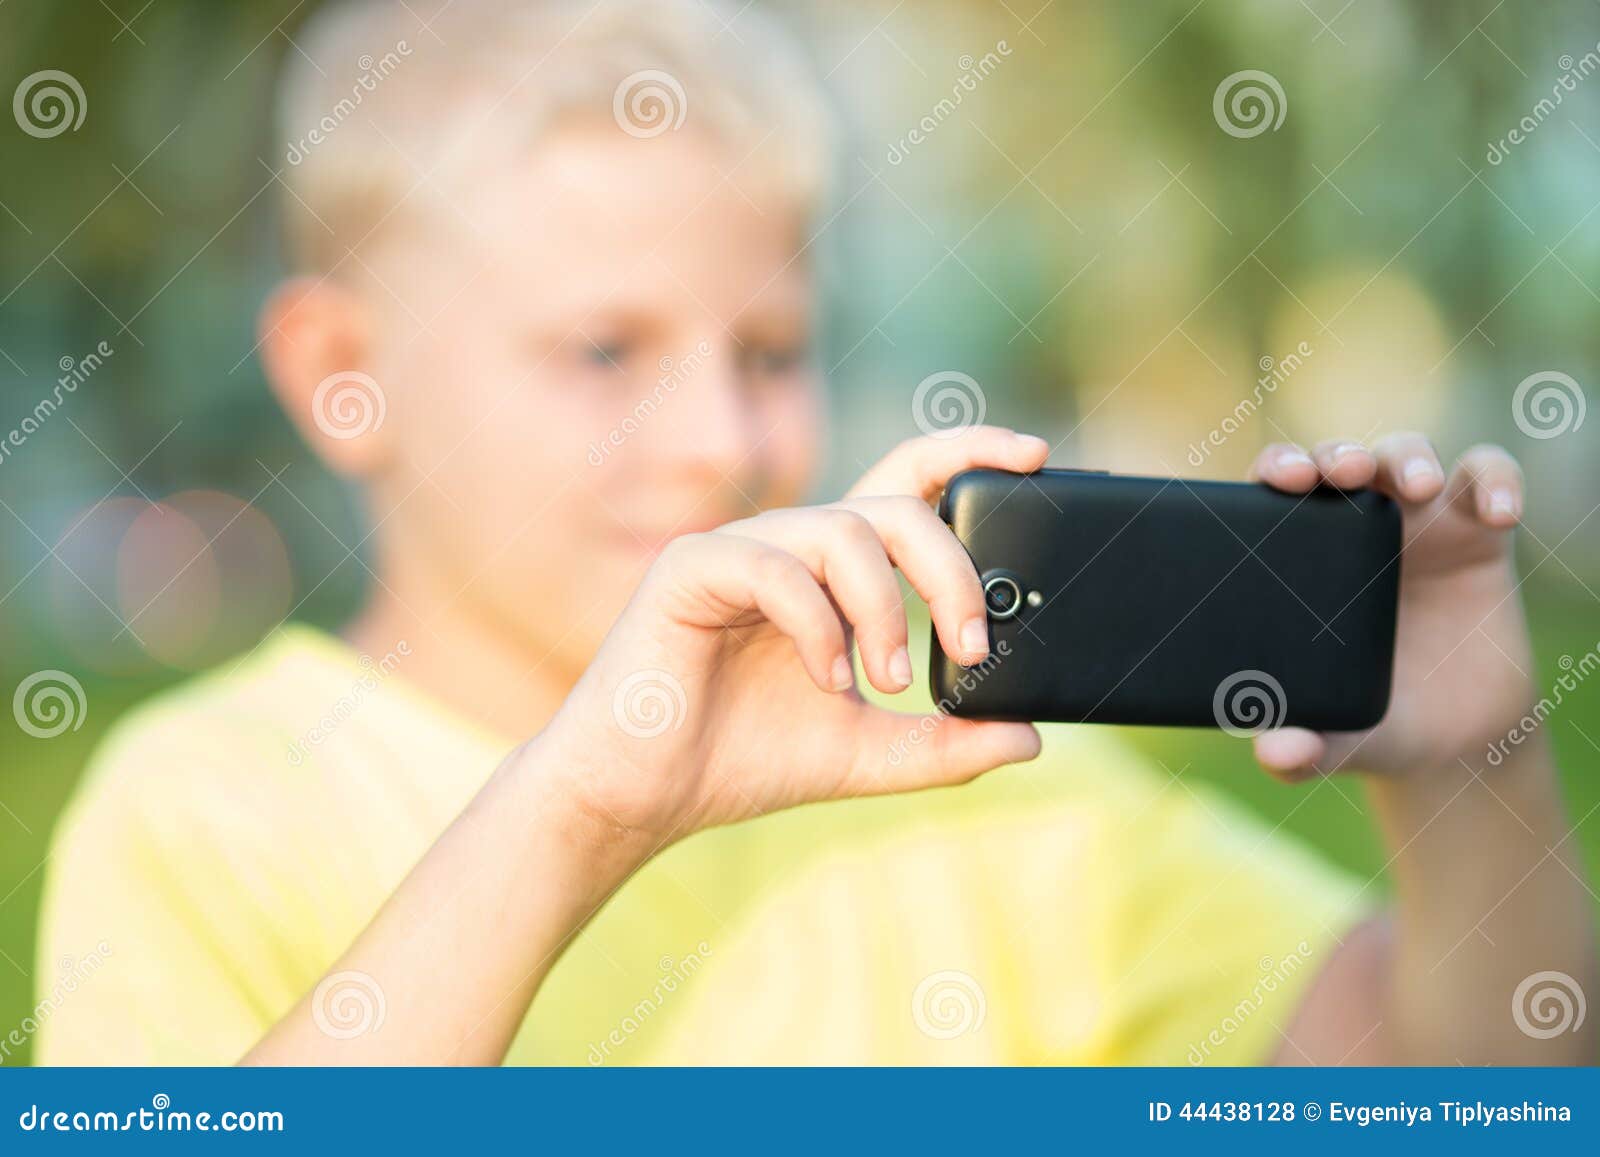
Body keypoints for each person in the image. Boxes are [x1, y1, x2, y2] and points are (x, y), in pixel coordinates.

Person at [36, 0, 1594, 1066]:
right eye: (604, 351)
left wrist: (1473, 767)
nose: (728, 439)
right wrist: (580, 805)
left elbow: (1465, 1091)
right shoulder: (208, 806)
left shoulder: (974, 772)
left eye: (770, 351)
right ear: (342, 376)